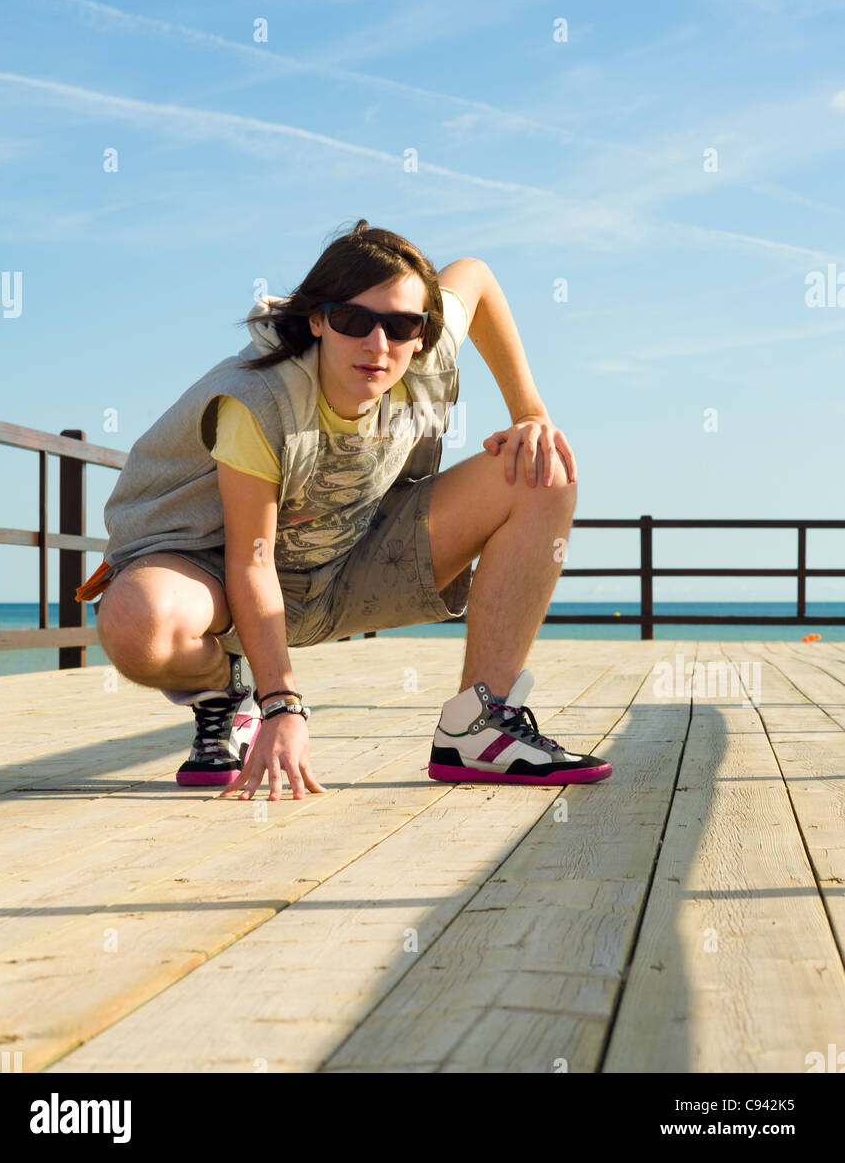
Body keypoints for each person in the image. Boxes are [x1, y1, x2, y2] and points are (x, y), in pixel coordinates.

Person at [76, 219, 612, 800]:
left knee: (542, 469)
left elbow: (476, 277)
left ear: (421, 330)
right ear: (318, 320)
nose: (378, 345)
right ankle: (224, 694)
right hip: (223, 576)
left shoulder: (418, 352)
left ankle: (476, 728)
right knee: (134, 623)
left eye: (402, 325)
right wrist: (282, 706)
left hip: (350, 563)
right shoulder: (260, 402)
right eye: (354, 320)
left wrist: (530, 412)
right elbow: (252, 563)